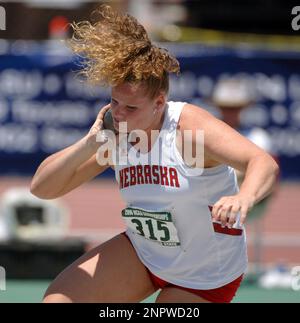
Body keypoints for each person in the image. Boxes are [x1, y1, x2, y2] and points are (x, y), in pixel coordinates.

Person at [30, 5, 279, 303]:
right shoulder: (116, 135)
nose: (119, 113)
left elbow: (262, 162)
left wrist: (243, 198)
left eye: (131, 108)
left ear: (159, 103)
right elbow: (43, 188)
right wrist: (90, 142)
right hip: (144, 254)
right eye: (114, 101)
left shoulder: (187, 129)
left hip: (205, 273)